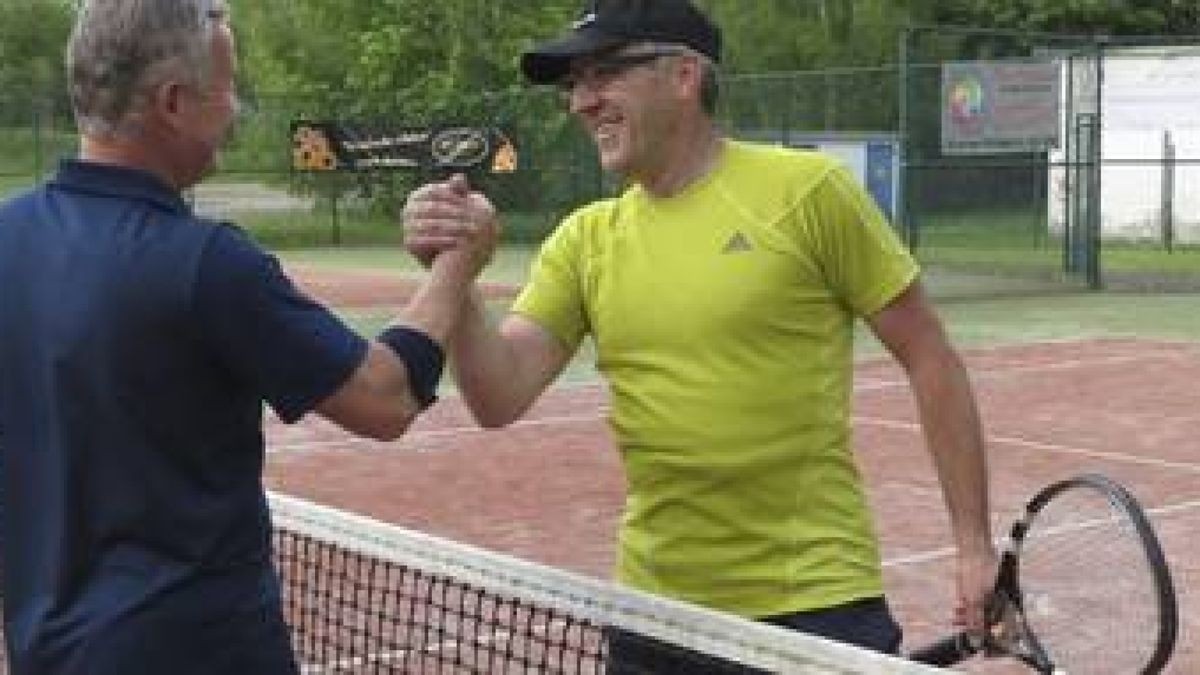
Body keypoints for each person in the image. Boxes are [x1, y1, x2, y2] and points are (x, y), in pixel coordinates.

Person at [403, 0, 997, 669]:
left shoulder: (808, 193)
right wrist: (454, 274)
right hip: (655, 617)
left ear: (685, 76)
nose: (581, 102)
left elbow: (930, 355)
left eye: (604, 74)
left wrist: (973, 546)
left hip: (814, 602)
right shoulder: (585, 240)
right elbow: (497, 394)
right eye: (573, 84)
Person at [0, 1, 496, 673]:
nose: (235, 110)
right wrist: (458, 262)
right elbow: (386, 397)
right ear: (173, 102)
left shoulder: (9, 237)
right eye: (227, 89)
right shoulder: (205, 262)